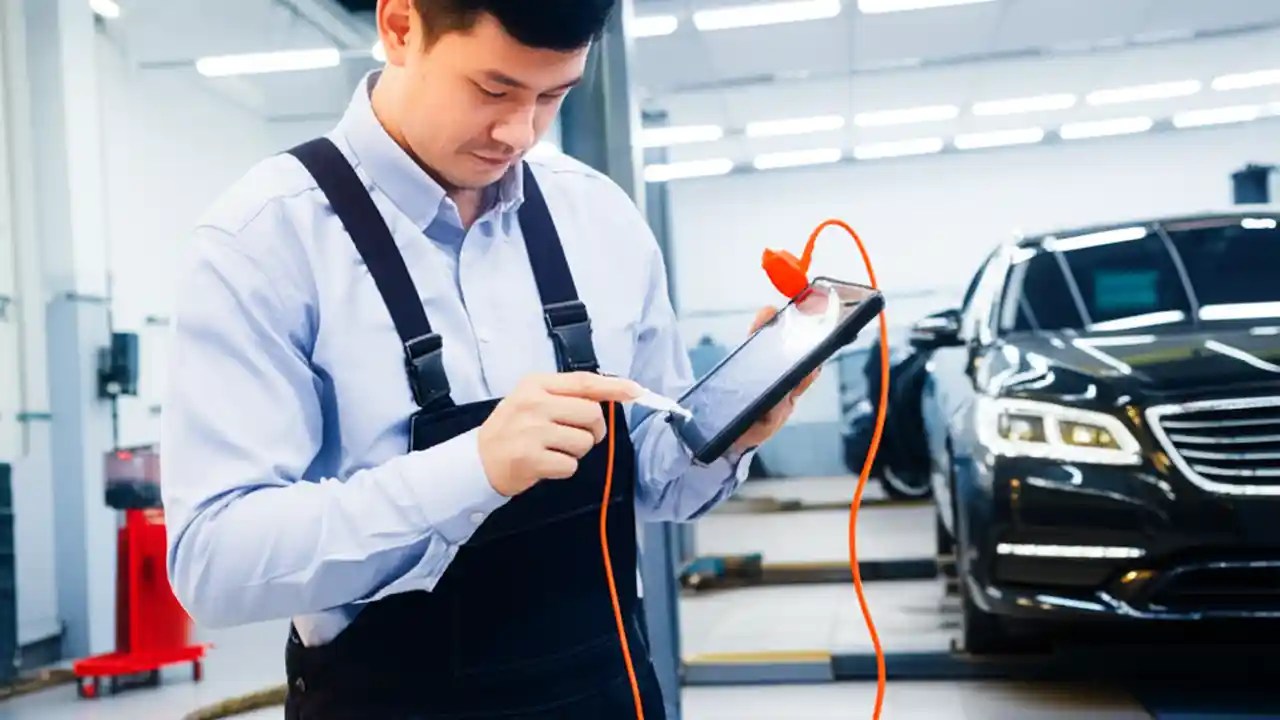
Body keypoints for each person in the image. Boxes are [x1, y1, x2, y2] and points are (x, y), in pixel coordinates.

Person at [160, 1, 814, 717]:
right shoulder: (262, 243)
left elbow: (657, 485)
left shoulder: (600, 219)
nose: (520, 132)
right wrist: (473, 470)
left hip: (604, 691)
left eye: (554, 96)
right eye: (493, 90)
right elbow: (213, 561)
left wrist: (732, 432)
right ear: (400, 25)